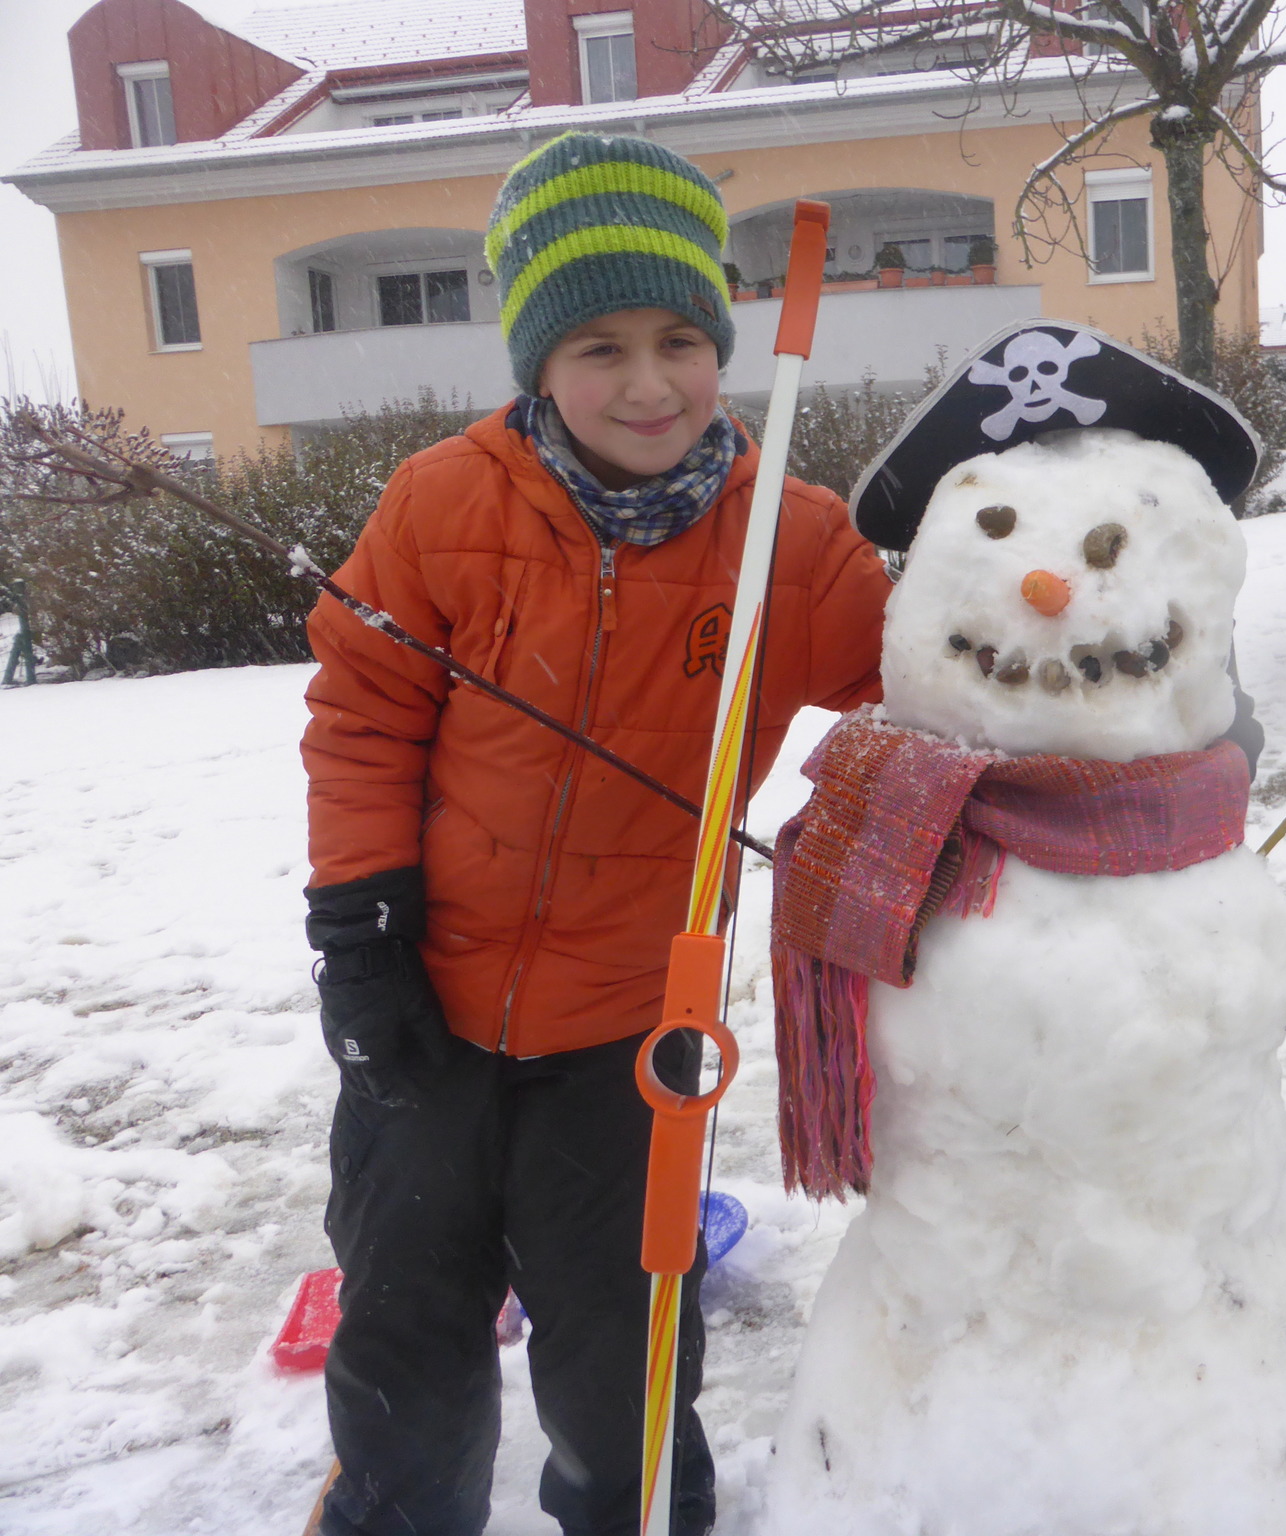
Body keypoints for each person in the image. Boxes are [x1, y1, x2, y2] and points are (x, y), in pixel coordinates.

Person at [299, 132, 893, 1536]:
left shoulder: (788, 544)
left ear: (724, 344)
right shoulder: (446, 504)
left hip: (632, 1031)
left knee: (619, 1344)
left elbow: (924, 684)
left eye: (681, 339)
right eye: (600, 348)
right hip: (426, 1006)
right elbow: (365, 717)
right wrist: (359, 930)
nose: (648, 384)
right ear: (537, 364)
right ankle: (390, 1512)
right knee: (401, 1318)